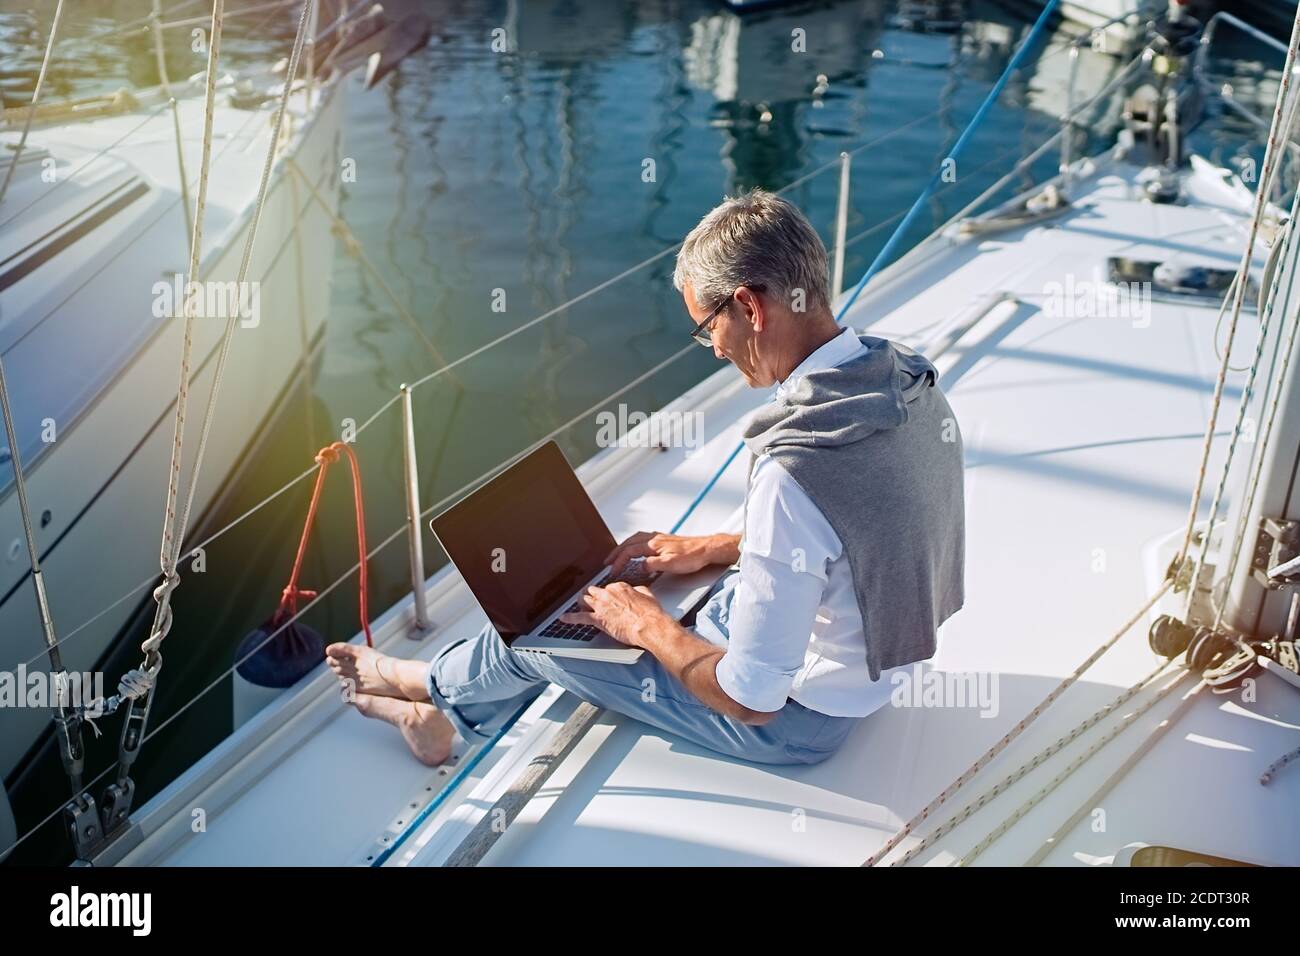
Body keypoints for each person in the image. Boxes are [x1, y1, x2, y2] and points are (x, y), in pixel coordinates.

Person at [327, 189, 965, 767]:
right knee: (592, 612)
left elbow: (754, 698)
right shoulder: (905, 379)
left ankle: (417, 689)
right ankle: (439, 707)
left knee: (546, 629)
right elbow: (861, 521)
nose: (713, 347)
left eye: (708, 326)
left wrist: (646, 628)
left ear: (748, 305)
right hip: (875, 672)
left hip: (798, 722)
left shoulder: (793, 473)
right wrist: (713, 547)